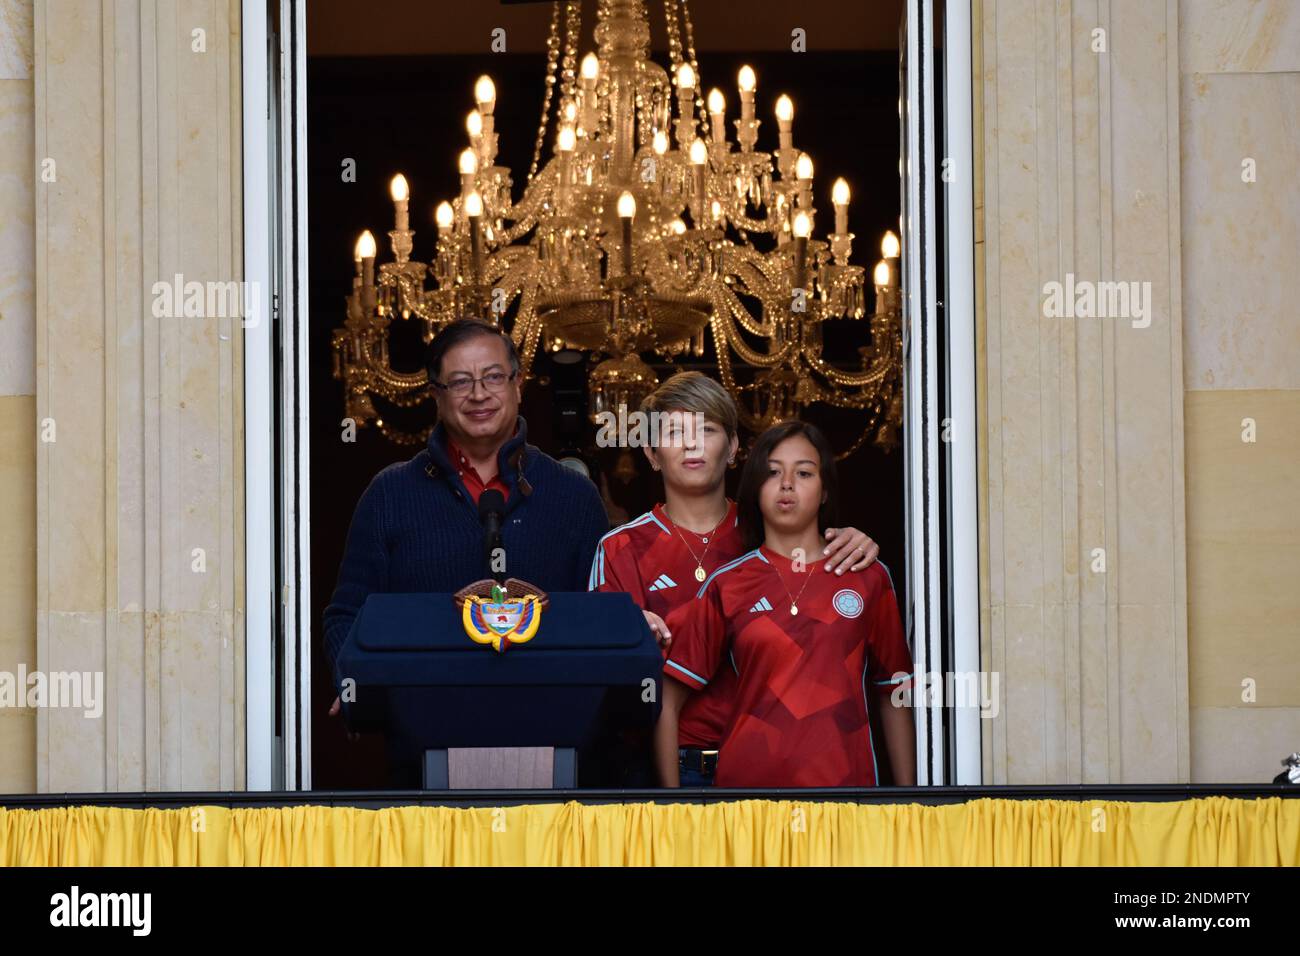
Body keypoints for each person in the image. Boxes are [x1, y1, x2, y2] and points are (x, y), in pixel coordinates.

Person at [323, 319, 610, 786]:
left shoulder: (572, 495)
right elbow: (346, 615)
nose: (479, 394)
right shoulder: (391, 493)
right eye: (460, 381)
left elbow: (600, 618)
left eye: (493, 377)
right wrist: (353, 681)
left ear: (518, 384)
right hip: (421, 756)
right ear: (436, 395)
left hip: (555, 754)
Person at [589, 372, 881, 786]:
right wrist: (626, 640)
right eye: (674, 431)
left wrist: (853, 543)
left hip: (777, 762)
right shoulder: (622, 548)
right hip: (666, 766)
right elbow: (603, 680)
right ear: (652, 453)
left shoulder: (770, 532)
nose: (692, 444)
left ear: (733, 449)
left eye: (707, 430)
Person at [655, 420, 916, 788]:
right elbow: (666, 699)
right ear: (755, 488)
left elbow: (895, 690)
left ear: (825, 491)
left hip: (848, 796)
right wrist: (673, 806)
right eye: (773, 472)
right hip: (746, 803)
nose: (787, 484)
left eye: (805, 473)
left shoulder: (867, 578)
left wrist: (911, 801)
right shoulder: (728, 584)